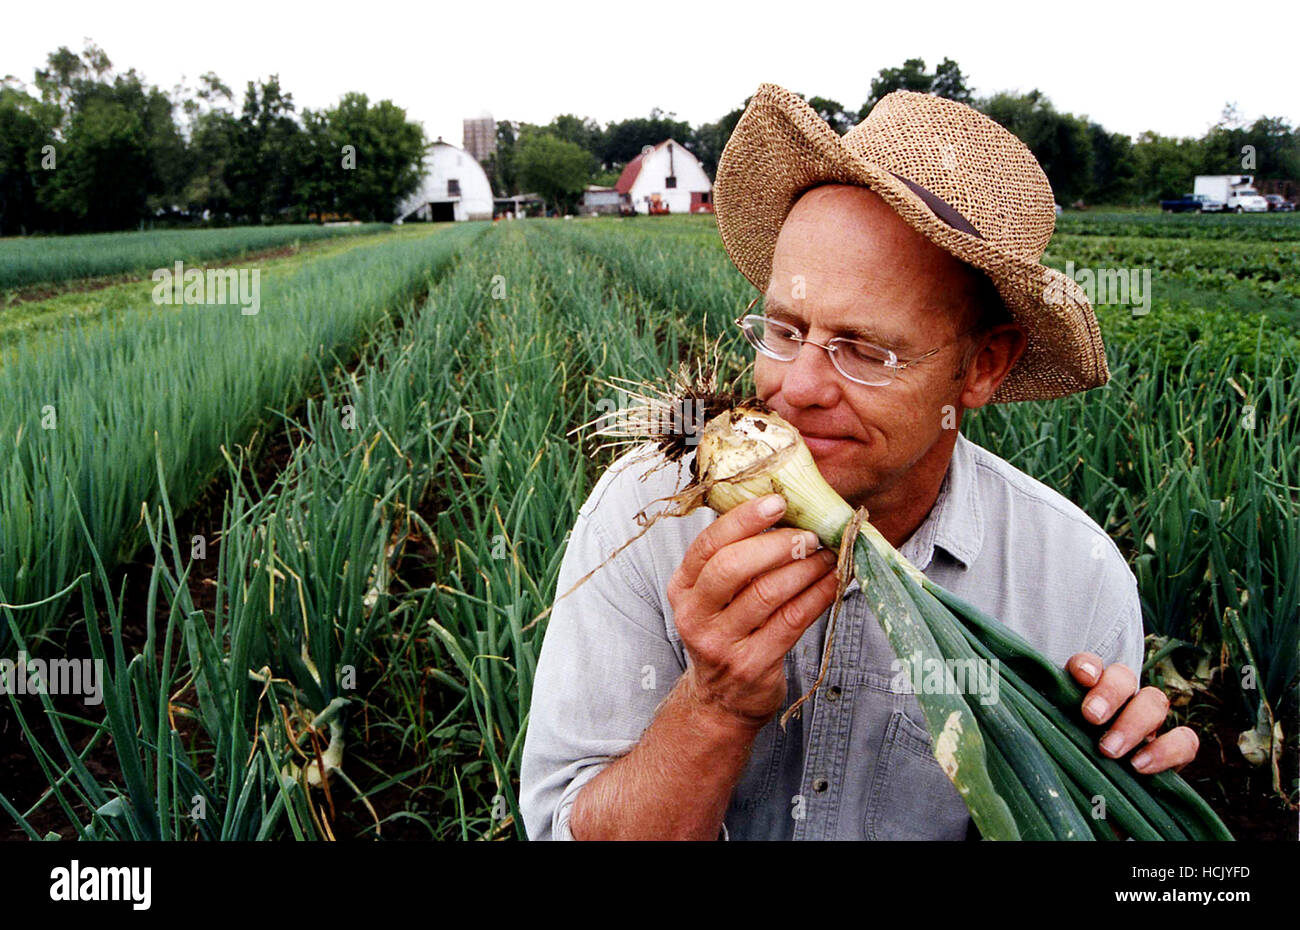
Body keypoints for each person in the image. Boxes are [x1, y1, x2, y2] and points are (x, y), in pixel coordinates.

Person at [520, 83, 1198, 841]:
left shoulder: (1074, 582)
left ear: (983, 366)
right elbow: (559, 828)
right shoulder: (642, 513)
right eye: (782, 329)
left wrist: (1107, 795)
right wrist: (713, 707)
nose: (794, 387)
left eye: (866, 349)